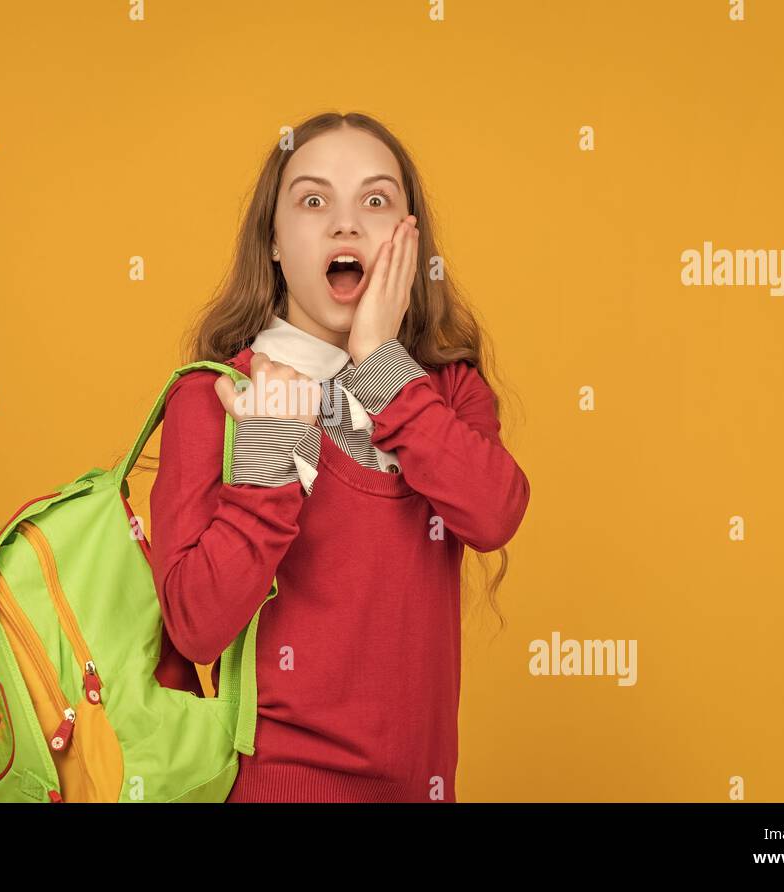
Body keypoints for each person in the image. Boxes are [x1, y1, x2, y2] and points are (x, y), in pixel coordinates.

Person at [148, 111, 531, 802]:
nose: (346, 225)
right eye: (314, 200)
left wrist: (382, 368)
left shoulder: (444, 392)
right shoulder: (216, 399)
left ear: (410, 243)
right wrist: (270, 455)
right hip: (277, 784)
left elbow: (494, 512)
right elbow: (196, 627)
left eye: (376, 201)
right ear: (273, 239)